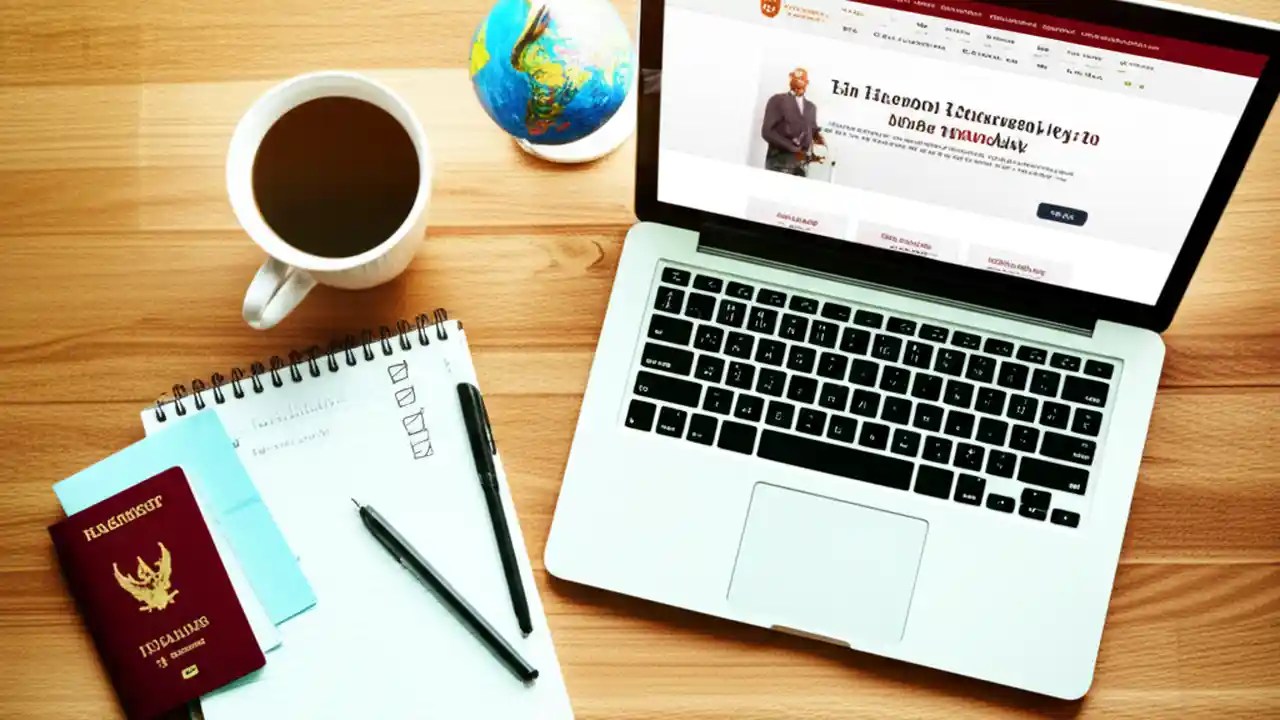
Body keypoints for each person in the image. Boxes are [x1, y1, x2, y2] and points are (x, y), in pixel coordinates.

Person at [761, 68, 825, 177]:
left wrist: (817, 138)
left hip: (801, 166)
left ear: (807, 83)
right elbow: (767, 131)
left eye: (802, 80)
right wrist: (790, 146)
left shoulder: (811, 107)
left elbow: (812, 131)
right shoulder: (777, 100)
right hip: (779, 163)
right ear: (791, 79)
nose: (799, 83)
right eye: (796, 79)